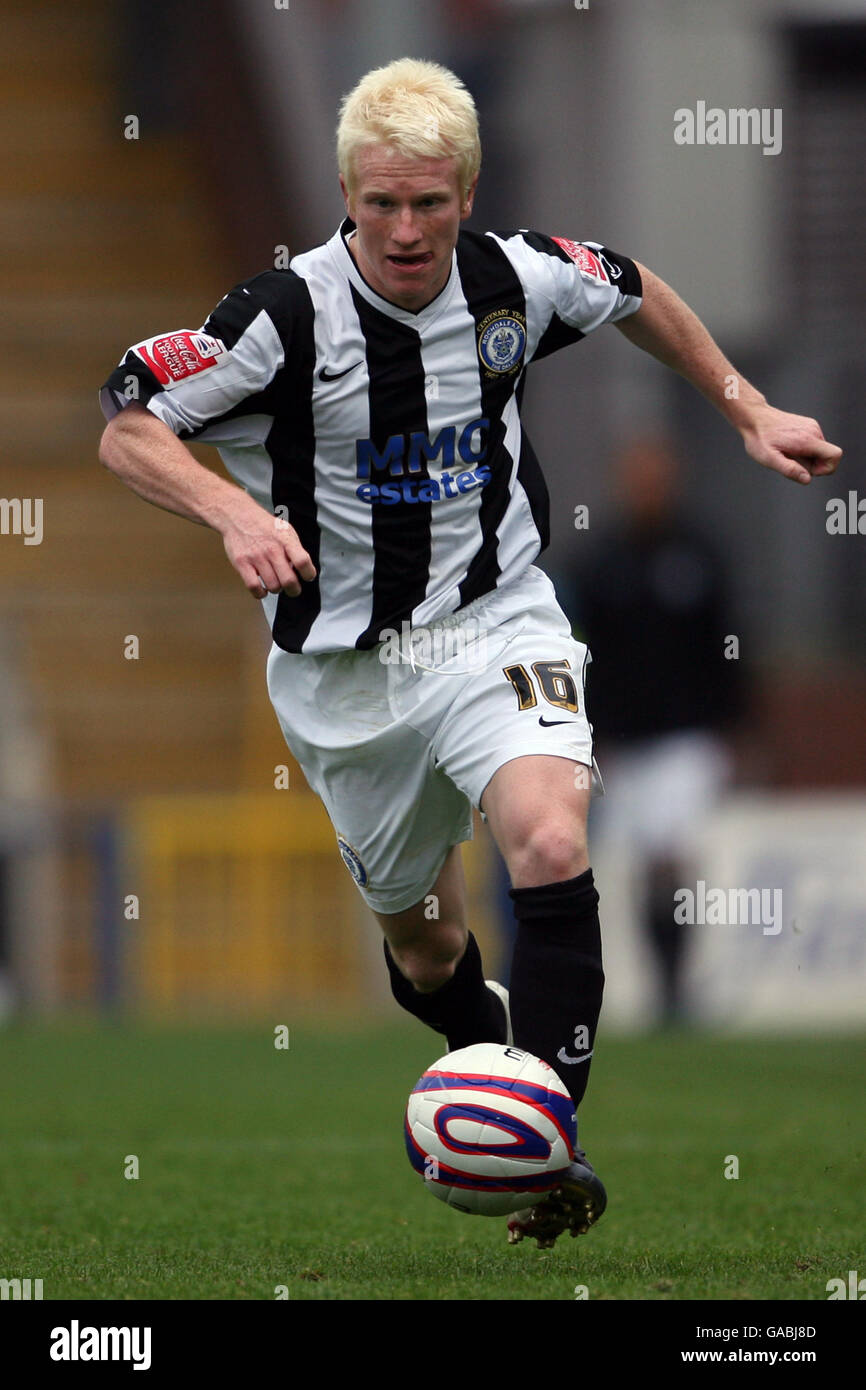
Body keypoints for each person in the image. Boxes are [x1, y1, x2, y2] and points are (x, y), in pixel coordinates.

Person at [98, 57, 841, 1249]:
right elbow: (128, 422)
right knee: (425, 938)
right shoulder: (278, 319)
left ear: (467, 191)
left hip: (496, 620)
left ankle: (549, 1148)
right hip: (344, 678)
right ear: (345, 192)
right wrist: (235, 513)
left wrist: (742, 405)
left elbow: (634, 286)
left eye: (429, 203)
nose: (404, 230)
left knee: (549, 836)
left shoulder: (514, 277)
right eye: (381, 202)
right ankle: (473, 1040)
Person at [572, 439, 745, 1025]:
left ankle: (677, 988)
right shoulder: (601, 563)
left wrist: (735, 728)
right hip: (625, 742)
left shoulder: (699, 555)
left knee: (674, 857)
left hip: (685, 738)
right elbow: (583, 656)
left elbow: (727, 646)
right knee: (647, 864)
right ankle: (660, 990)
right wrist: (589, 736)